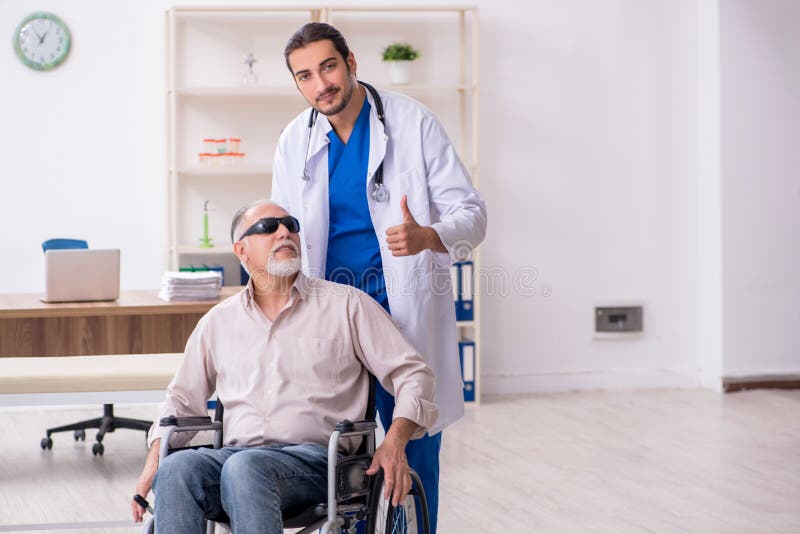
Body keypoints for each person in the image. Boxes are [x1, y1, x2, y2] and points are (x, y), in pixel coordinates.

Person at [272, 22, 487, 532]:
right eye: (305, 75)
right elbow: (285, 233)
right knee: (342, 456)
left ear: (351, 62)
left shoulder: (413, 122)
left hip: (403, 317)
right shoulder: (293, 140)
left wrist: (429, 236)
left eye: (328, 66)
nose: (320, 83)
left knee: (414, 452)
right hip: (335, 320)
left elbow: (473, 215)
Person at [131, 199, 437, 534]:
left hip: (321, 464)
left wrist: (395, 441)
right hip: (237, 457)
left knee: (245, 467)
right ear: (241, 250)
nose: (284, 232)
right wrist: (154, 461)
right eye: (267, 227)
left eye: (290, 224)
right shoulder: (218, 322)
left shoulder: (347, 306)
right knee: (178, 469)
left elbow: (412, 373)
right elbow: (180, 400)